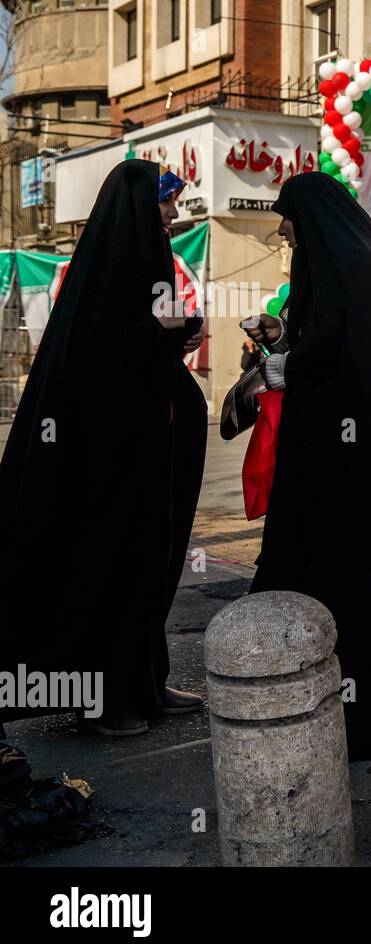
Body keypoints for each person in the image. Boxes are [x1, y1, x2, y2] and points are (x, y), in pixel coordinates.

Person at [0, 160, 206, 736]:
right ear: (141, 205)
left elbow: (143, 343)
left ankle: (144, 683)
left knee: (148, 565)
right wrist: (159, 334)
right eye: (166, 202)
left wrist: (176, 334)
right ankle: (109, 701)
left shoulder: (151, 256)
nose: (172, 212)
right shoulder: (112, 261)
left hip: (145, 451)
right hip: (103, 460)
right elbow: (98, 354)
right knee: (109, 569)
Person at [245, 171, 371, 761]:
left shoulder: (342, 269)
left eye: (290, 231)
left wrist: (282, 369)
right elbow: (341, 344)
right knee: (366, 580)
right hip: (367, 465)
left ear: (310, 221)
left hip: (334, 468)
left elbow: (331, 357)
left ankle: (342, 717)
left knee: (328, 581)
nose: (288, 240)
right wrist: (286, 337)